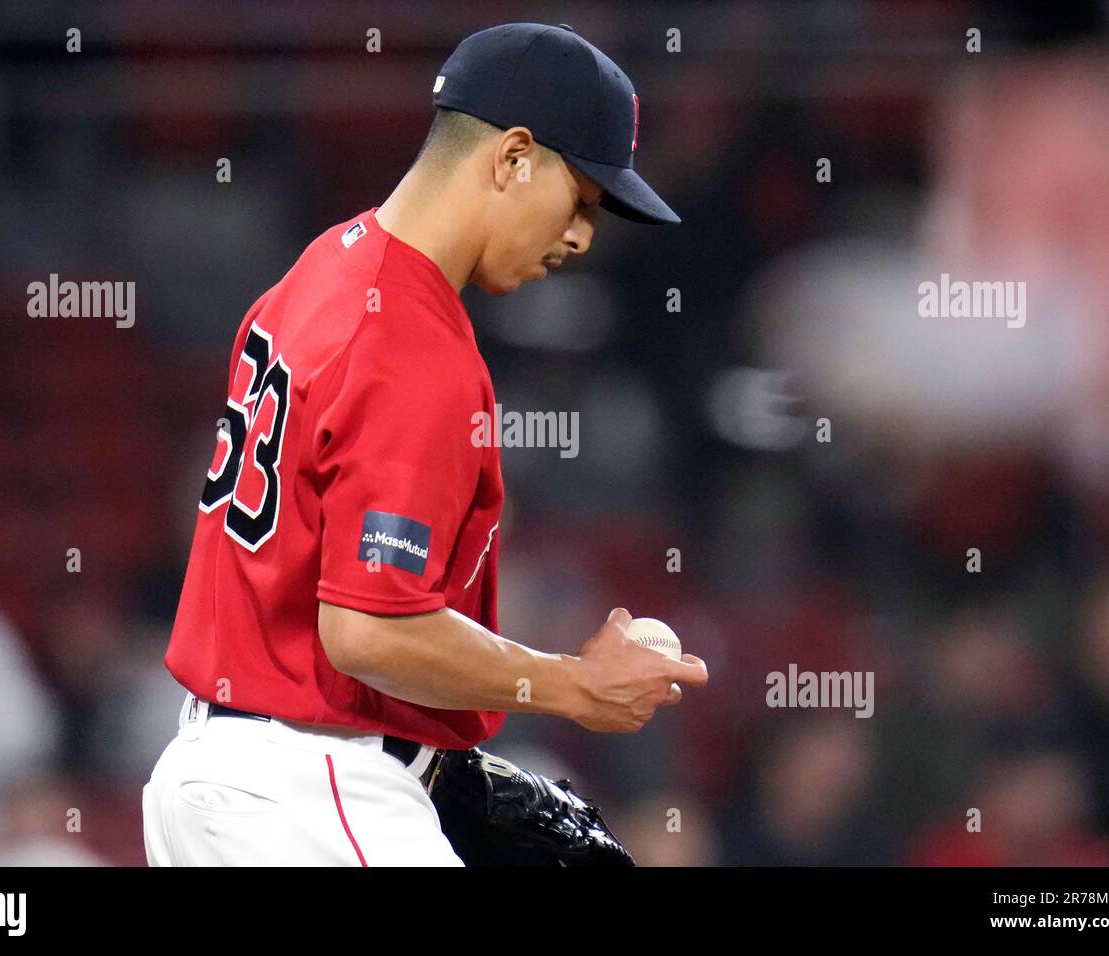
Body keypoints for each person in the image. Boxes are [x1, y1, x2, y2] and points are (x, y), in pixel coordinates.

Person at [142, 21, 708, 867]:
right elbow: (367, 633)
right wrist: (572, 685)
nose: (583, 235)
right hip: (310, 788)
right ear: (513, 158)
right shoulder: (413, 346)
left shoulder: (324, 268)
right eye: (582, 199)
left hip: (219, 777)